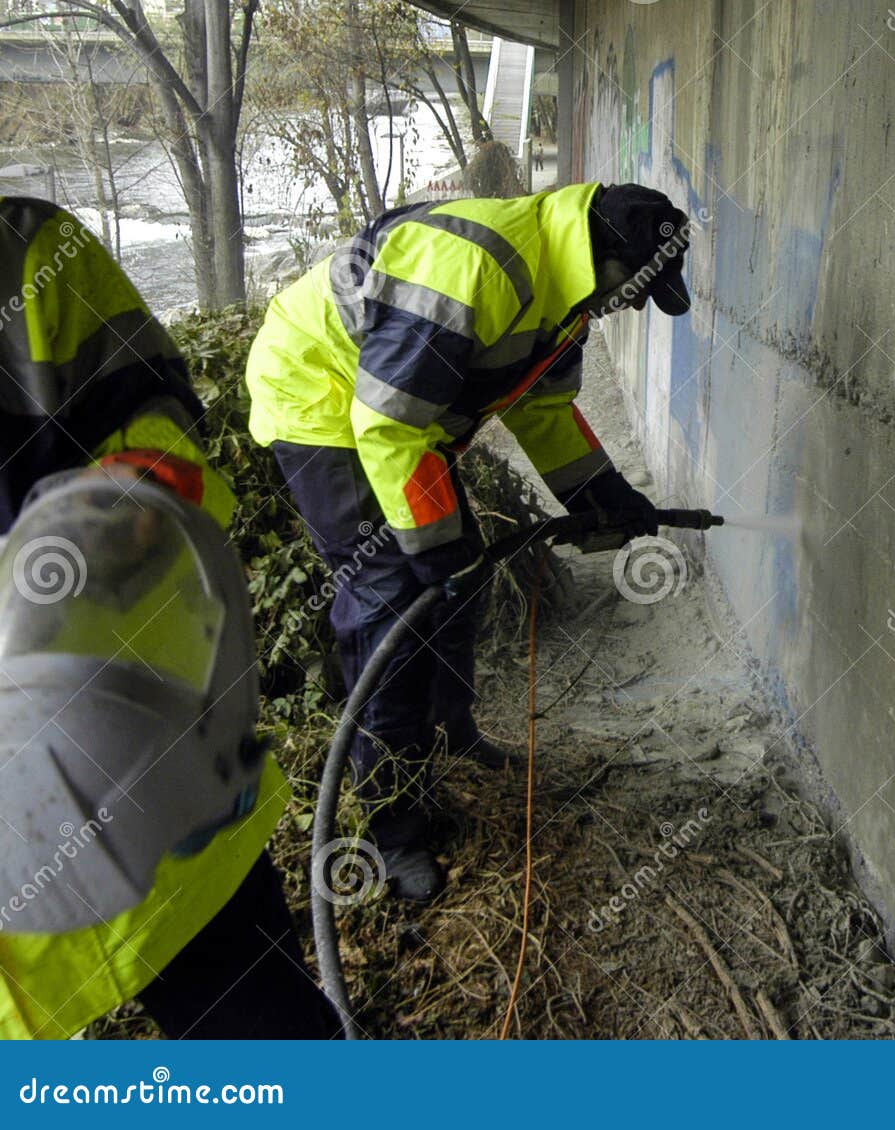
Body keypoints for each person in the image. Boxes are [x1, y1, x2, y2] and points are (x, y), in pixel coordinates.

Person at [245, 182, 693, 902]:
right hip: (319, 397)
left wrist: (602, 496)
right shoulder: (475, 268)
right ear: (605, 255)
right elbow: (387, 426)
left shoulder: (565, 299)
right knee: (395, 594)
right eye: (637, 286)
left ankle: (450, 734)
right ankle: (393, 831)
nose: (636, 303)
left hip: (392, 415)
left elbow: (542, 409)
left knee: (462, 574)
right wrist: (434, 552)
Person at [0, 196, 336, 1039]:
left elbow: (159, 443)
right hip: (318, 412)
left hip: (139, 791)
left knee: (262, 1035)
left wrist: (120, 516)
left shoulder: (26, 257)